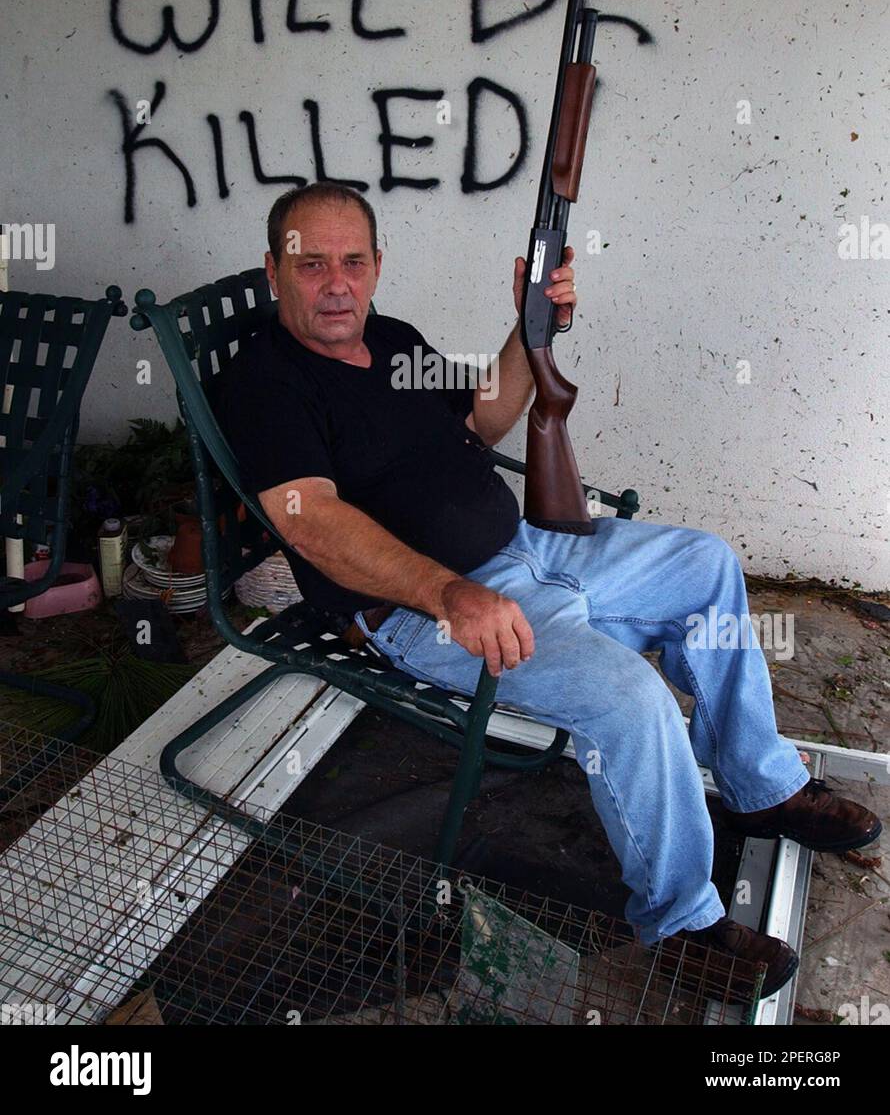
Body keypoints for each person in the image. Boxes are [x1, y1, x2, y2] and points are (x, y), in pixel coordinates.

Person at [216, 180, 881, 1002]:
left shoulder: (391, 341)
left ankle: (759, 787)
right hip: (431, 610)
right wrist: (449, 592)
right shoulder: (266, 382)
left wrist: (532, 330)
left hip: (530, 549)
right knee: (630, 697)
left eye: (352, 260)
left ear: (379, 265)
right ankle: (681, 924)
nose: (335, 282)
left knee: (707, 563)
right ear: (273, 269)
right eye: (309, 263)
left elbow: (481, 421)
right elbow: (308, 518)